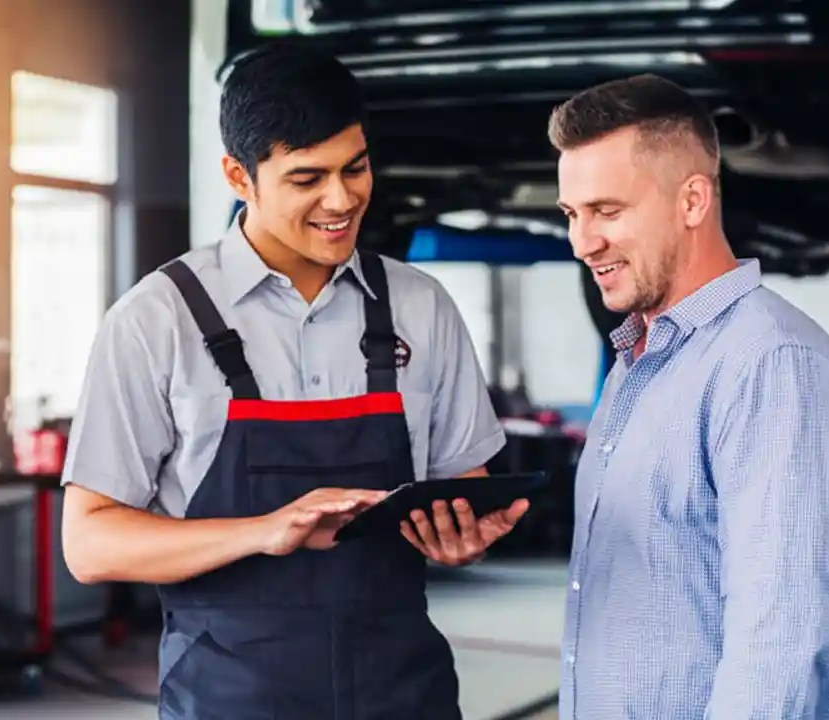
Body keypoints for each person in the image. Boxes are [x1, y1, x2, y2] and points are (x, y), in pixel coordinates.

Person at [59, 44, 528, 718]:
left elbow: (466, 483)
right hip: (231, 700)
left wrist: (462, 537)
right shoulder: (156, 321)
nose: (341, 200)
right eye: (307, 178)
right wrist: (263, 530)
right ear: (238, 176)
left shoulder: (421, 307)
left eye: (355, 168)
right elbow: (90, 543)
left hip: (403, 694)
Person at [550, 73, 829, 719]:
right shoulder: (641, 358)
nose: (582, 242)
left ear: (692, 200)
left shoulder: (770, 366)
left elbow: (781, 642)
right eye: (572, 214)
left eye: (608, 210)